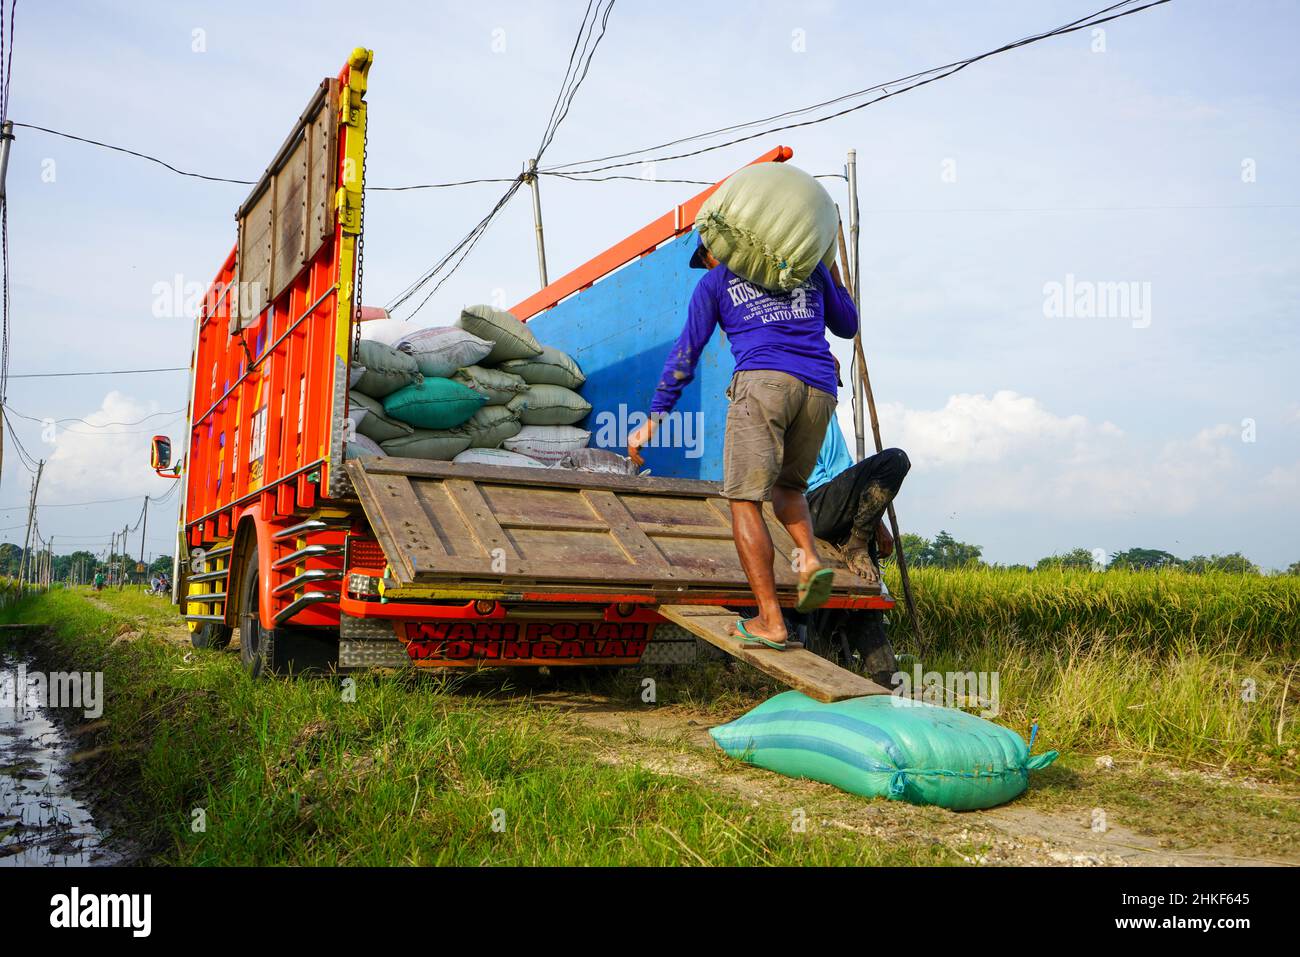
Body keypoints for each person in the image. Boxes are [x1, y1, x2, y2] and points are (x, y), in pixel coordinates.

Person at [628, 237, 859, 650]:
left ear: (718, 249)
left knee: (744, 499)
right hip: (821, 388)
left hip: (763, 383)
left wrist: (654, 418)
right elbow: (847, 326)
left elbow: (687, 353)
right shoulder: (808, 267)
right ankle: (808, 560)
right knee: (789, 487)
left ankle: (771, 621)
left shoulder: (716, 282)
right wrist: (834, 273)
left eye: (707, 257)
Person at [806, 359, 911, 586]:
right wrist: (878, 527)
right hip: (816, 506)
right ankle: (857, 543)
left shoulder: (792, 407)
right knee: (895, 460)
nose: (834, 389)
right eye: (831, 380)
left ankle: (858, 543)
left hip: (810, 508)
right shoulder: (819, 411)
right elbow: (839, 471)